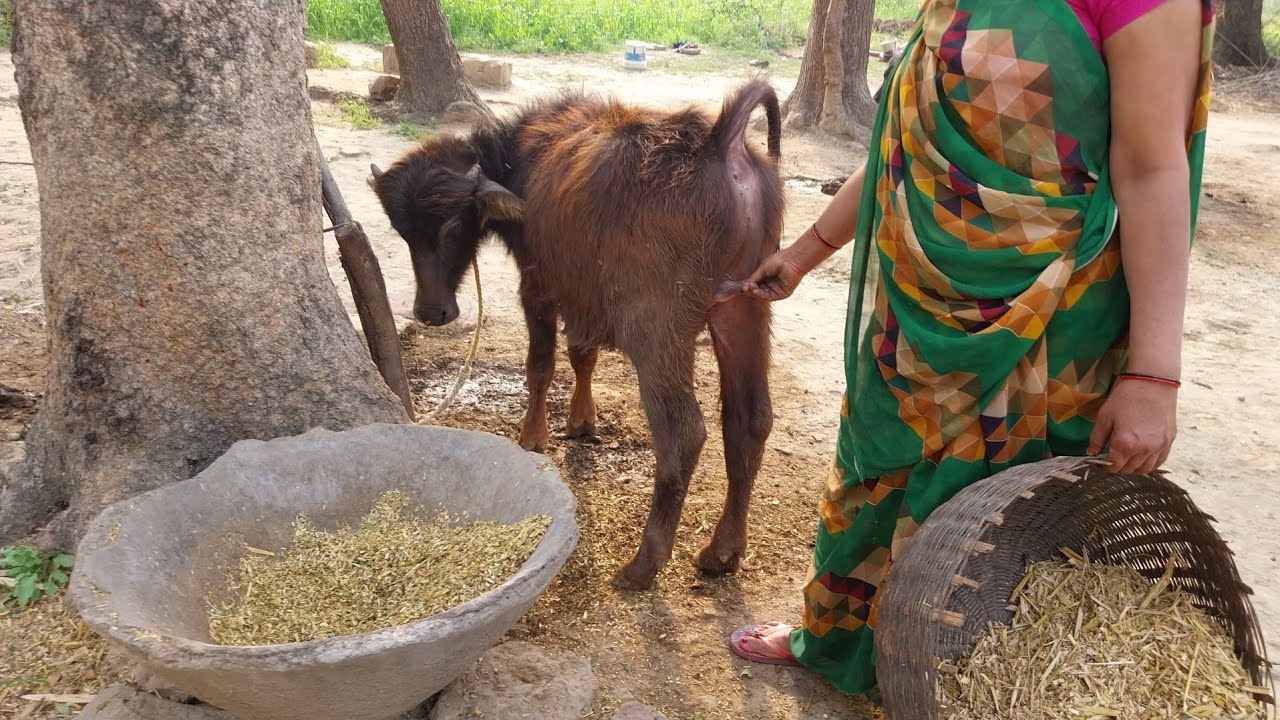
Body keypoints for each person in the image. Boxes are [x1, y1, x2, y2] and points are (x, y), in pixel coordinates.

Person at [727, 0, 1216, 702]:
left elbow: (1150, 171)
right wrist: (805, 254)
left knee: (1002, 509)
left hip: (1049, 313)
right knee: (878, 472)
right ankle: (839, 641)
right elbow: (910, 148)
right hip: (918, 298)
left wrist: (1153, 373)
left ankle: (960, 688)